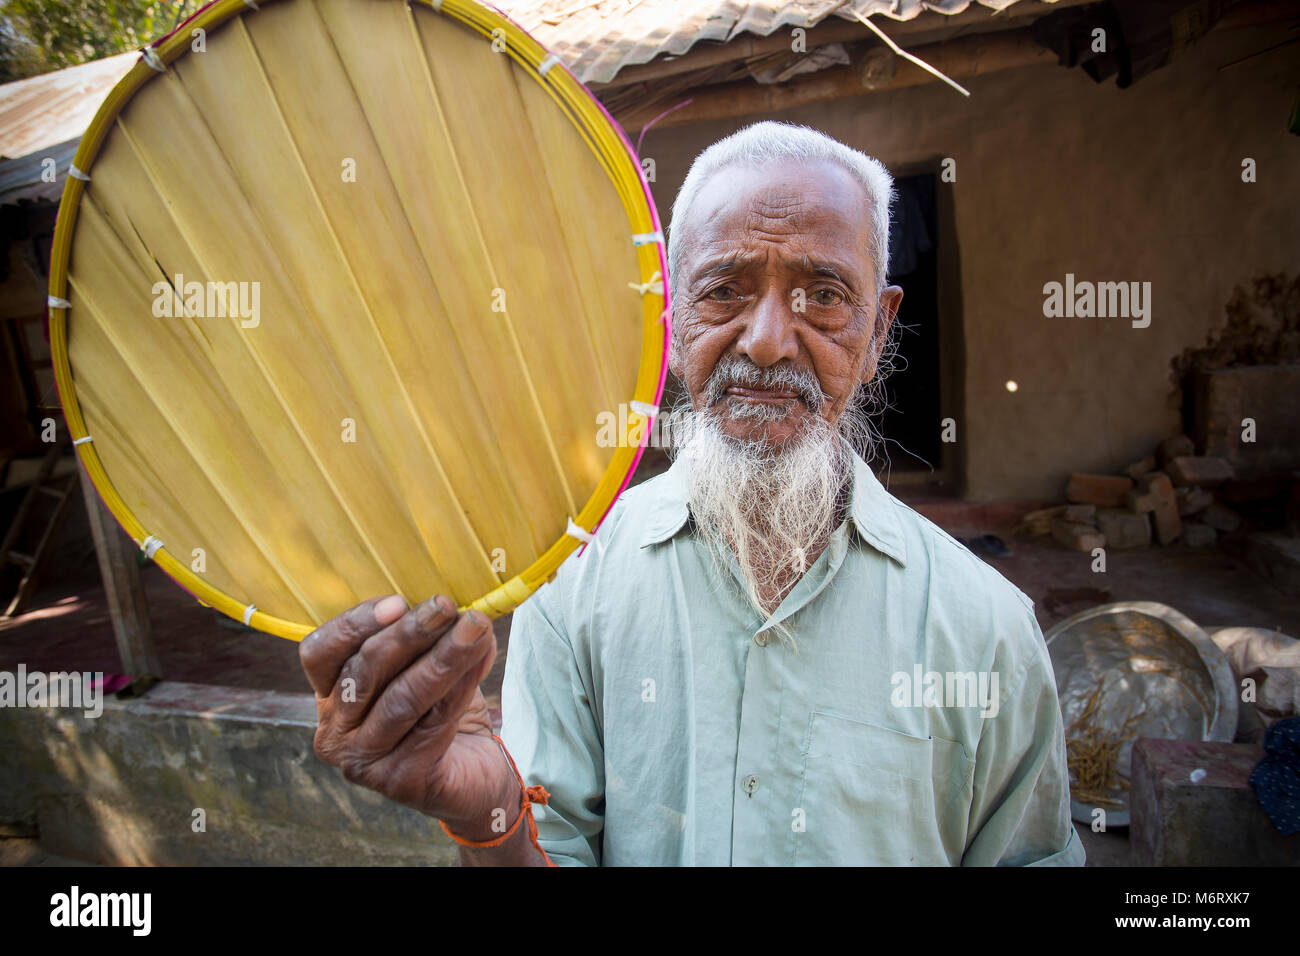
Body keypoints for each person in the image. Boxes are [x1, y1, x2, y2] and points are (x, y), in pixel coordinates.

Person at [299, 121, 1085, 867]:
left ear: (879, 332)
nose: (769, 340)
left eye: (823, 294)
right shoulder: (576, 585)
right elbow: (546, 844)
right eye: (725, 291)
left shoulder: (987, 630)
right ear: (673, 321)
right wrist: (485, 814)